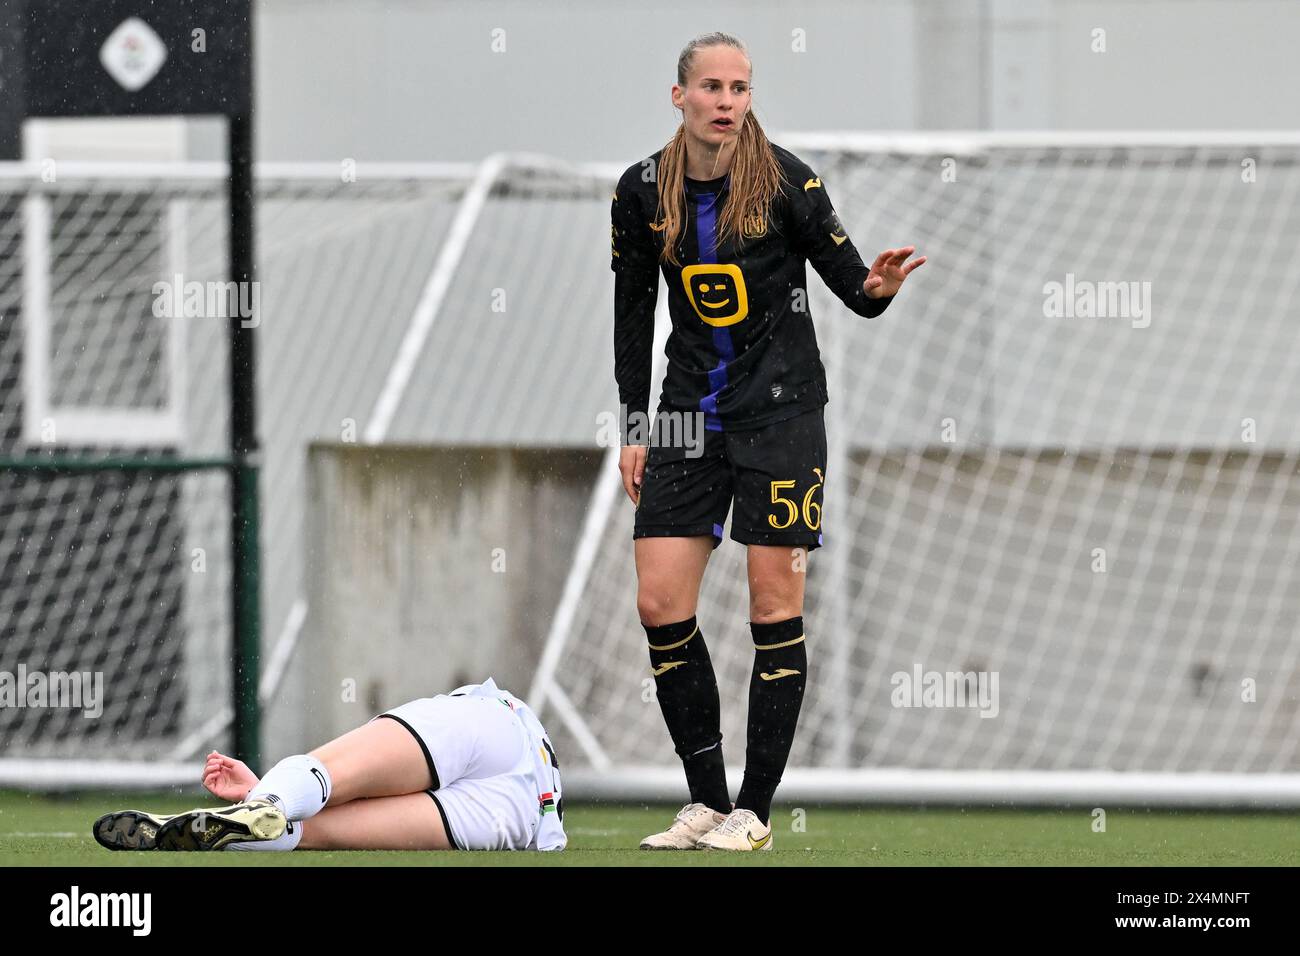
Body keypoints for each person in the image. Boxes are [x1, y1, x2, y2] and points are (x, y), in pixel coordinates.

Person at [612, 32, 925, 851]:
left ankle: (754, 810)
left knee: (772, 605)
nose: (726, 100)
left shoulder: (789, 180)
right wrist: (633, 421)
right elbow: (633, 312)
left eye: (740, 86)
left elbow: (855, 288)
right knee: (659, 602)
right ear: (677, 96)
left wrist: (879, 288)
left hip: (783, 417)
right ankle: (706, 801)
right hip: (686, 415)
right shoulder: (640, 190)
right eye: (711, 86)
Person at [92, 678, 565, 852]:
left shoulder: (475, 709)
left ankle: (270, 799)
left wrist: (272, 790)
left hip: (499, 724)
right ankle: (258, 807)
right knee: (309, 832)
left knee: (327, 774)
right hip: (523, 819)